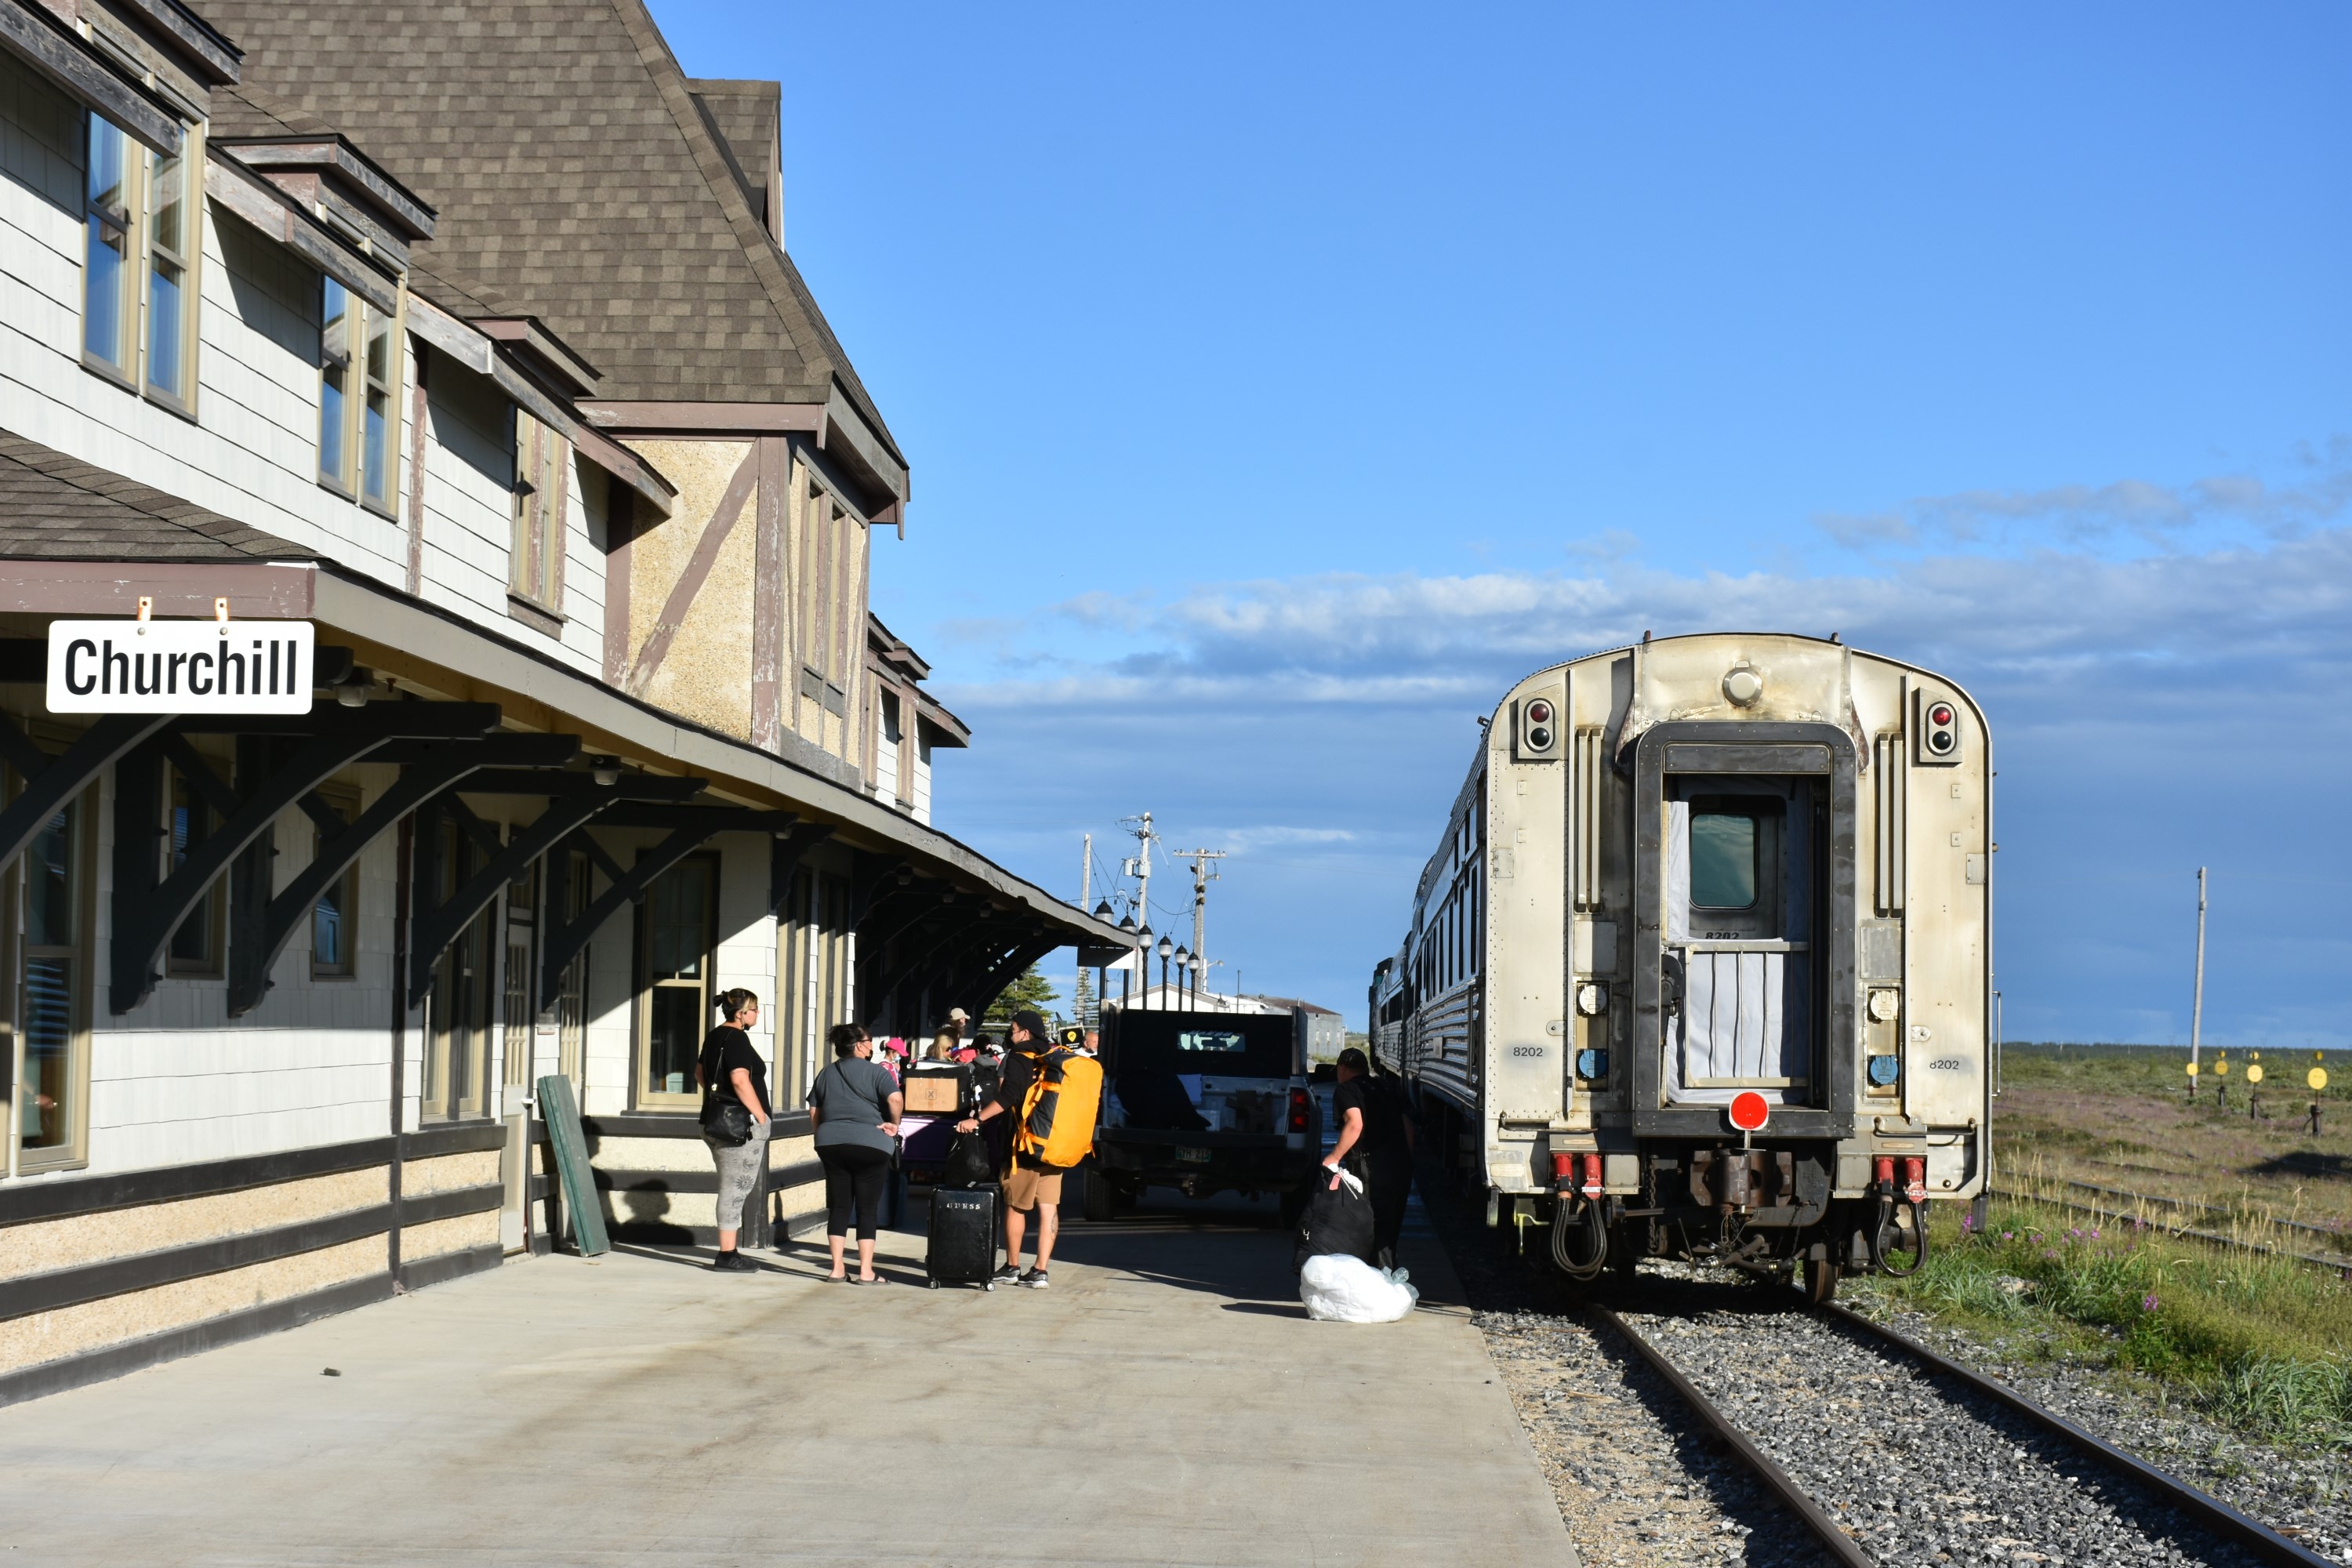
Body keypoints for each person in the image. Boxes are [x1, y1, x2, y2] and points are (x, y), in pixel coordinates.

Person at [953, 1009, 1070, 1289]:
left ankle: (1012, 1267)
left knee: (1016, 1206)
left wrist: (976, 1119)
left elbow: (1008, 1096)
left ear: (1026, 1033)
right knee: (1048, 1208)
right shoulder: (1056, 1056)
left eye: (1014, 1028)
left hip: (1024, 1145)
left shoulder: (1019, 1056)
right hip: (1054, 1143)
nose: (1011, 1033)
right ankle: (1040, 1271)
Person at [806, 1022, 904, 1283]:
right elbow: (895, 1099)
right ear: (859, 1045)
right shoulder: (877, 1073)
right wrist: (894, 1124)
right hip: (870, 1144)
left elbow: (814, 1111)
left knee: (839, 1206)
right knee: (867, 1208)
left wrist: (822, 1134)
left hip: (831, 1144)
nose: (873, 1044)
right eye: (870, 1040)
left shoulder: (826, 1073)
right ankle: (866, 1272)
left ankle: (837, 1269)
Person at [695, 989, 771, 1273]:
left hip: (714, 1122)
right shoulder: (738, 1037)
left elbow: (700, 1074)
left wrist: (719, 1098)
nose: (757, 1014)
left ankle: (730, 1251)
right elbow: (740, 1079)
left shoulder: (715, 1034)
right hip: (740, 1127)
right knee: (734, 1190)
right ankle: (727, 1255)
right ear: (740, 1014)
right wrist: (760, 1115)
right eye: (754, 1009)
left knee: (731, 1186)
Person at [1325, 1047, 1415, 1269]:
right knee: (1388, 1237)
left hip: (1372, 1169)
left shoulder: (1347, 1089)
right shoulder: (1387, 1087)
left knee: (1366, 1233)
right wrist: (1406, 1159)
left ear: (1343, 1068)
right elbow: (1407, 1126)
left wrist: (1333, 1158)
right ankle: (1387, 1282)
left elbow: (1355, 1124)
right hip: (1400, 1167)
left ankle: (1373, 1289)